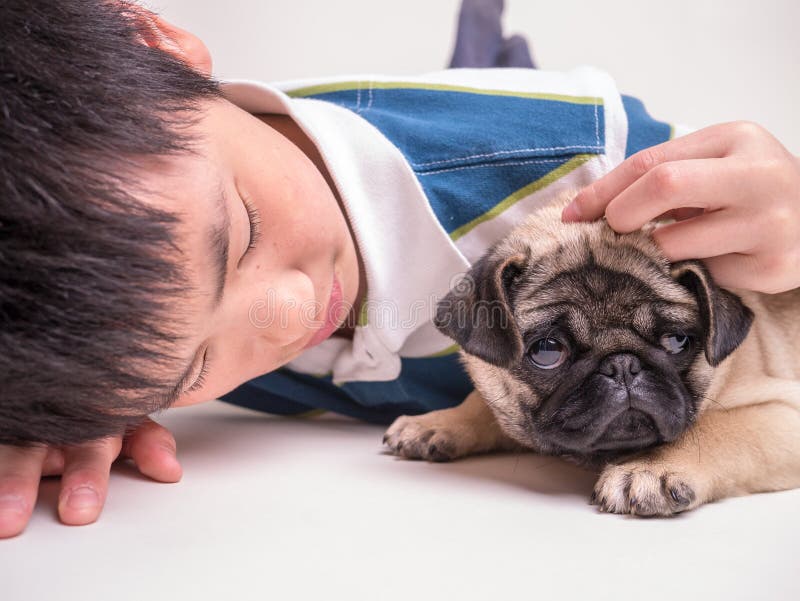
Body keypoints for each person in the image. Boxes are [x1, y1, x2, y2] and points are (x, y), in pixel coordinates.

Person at [1, 0, 797, 540]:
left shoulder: (599, 164)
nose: (287, 312)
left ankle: (488, 47)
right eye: (193, 363)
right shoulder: (123, 336)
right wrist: (71, 396)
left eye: (241, 233)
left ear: (158, 48)